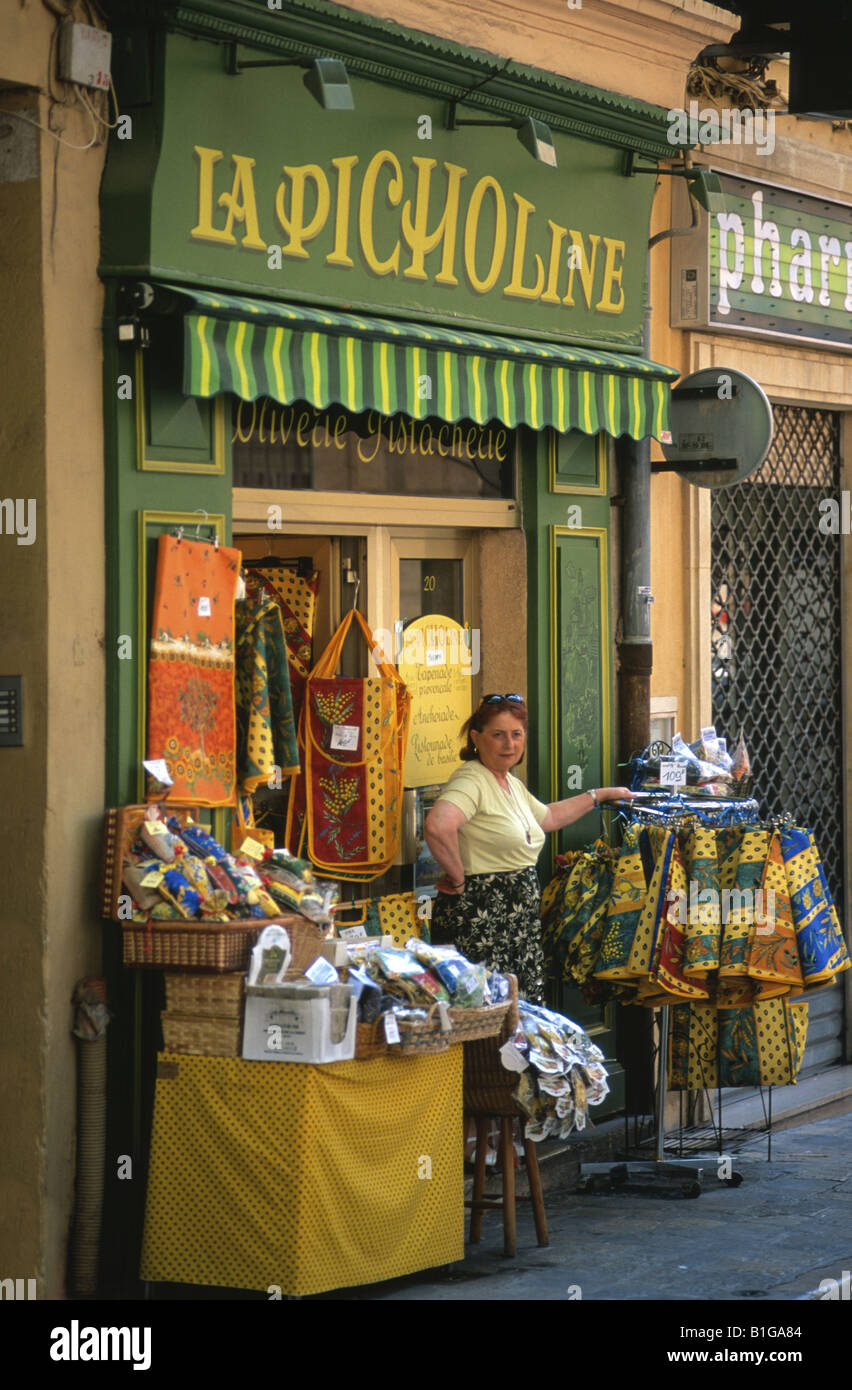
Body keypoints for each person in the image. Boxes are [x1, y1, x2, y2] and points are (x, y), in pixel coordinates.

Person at [424, 693, 634, 1003]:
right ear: (476, 738)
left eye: (516, 734)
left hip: (515, 920)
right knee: (486, 1014)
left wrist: (598, 795)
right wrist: (457, 878)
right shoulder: (472, 780)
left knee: (516, 1013)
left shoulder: (508, 782)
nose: (509, 744)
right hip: (481, 917)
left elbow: (548, 817)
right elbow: (438, 825)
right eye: (498, 735)